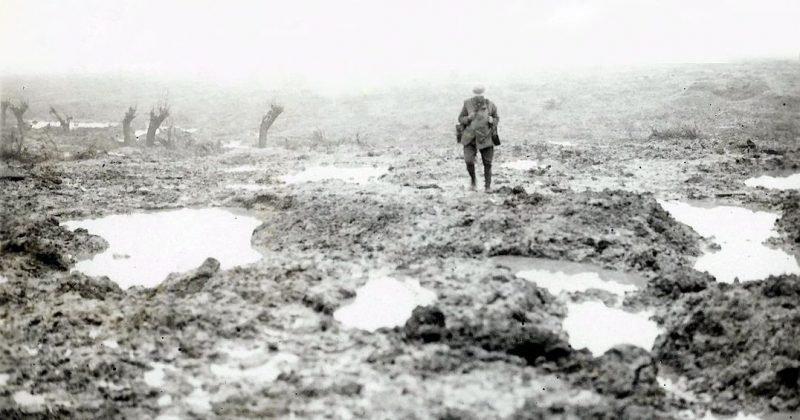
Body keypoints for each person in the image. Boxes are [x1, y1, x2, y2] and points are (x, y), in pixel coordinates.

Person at [457, 85, 499, 191]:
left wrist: (492, 120)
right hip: (470, 137)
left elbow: (496, 118)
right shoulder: (467, 103)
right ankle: (473, 181)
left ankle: (487, 186)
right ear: (473, 94)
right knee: (469, 161)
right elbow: (460, 118)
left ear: (484, 94)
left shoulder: (490, 105)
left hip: (486, 137)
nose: (478, 96)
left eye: (480, 94)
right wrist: (468, 118)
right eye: (476, 94)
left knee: (488, 163)